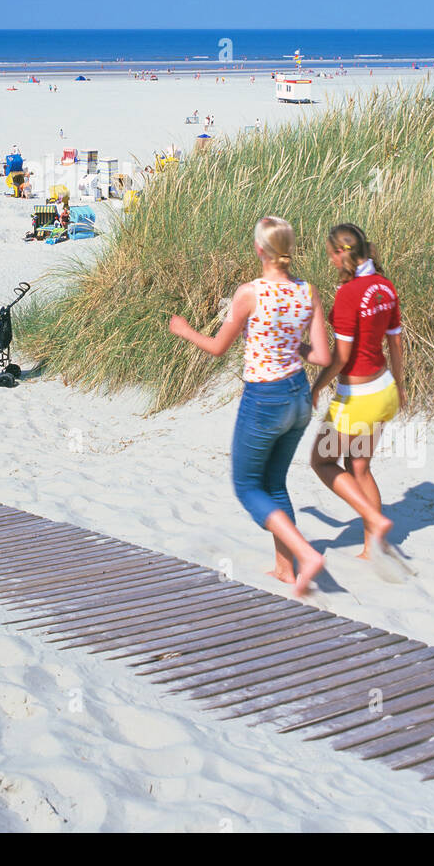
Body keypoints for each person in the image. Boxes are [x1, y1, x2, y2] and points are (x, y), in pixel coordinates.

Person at [168, 216, 331, 596]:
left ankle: (305, 555)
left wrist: (185, 330)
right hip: (298, 395)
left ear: (260, 250)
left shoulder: (250, 293)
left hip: (266, 397)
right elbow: (322, 355)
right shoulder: (308, 291)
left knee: (246, 486)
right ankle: (285, 568)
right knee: (274, 483)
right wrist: (291, 345)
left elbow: (217, 347)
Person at [309, 223, 405, 566]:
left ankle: (374, 519)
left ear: (341, 253)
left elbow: (342, 358)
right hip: (385, 392)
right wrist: (402, 386)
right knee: (359, 467)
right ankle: (372, 546)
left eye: (331, 255)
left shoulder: (349, 295)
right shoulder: (385, 287)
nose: (331, 262)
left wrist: (317, 385)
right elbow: (395, 342)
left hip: (357, 399)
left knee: (321, 461)